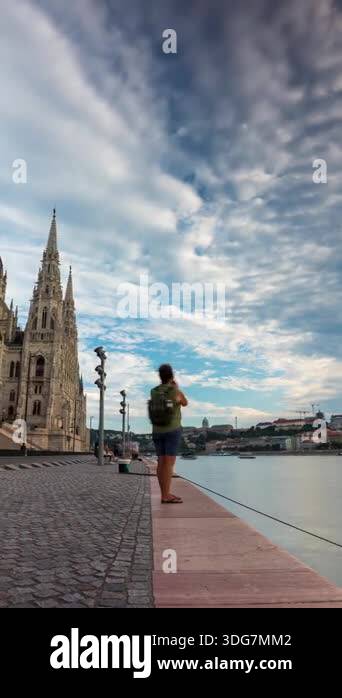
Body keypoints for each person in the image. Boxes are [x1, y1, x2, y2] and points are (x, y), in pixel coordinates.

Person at [150, 364, 188, 503]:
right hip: (172, 430)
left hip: (157, 430)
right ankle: (166, 495)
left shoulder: (154, 391)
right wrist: (176, 387)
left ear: (159, 376)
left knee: (161, 462)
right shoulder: (174, 391)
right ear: (171, 376)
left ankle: (164, 494)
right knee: (169, 464)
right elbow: (184, 402)